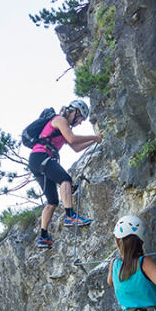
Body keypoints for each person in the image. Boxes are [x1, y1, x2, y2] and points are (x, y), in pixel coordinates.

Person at [29, 99, 102, 249]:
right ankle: (70, 216)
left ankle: (43, 237)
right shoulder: (60, 120)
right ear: (74, 112)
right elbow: (72, 139)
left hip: (37, 160)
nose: (80, 122)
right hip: (42, 156)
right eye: (81, 117)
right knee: (65, 179)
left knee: (52, 202)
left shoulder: (64, 127)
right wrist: (94, 137)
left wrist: (95, 141)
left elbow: (75, 147)